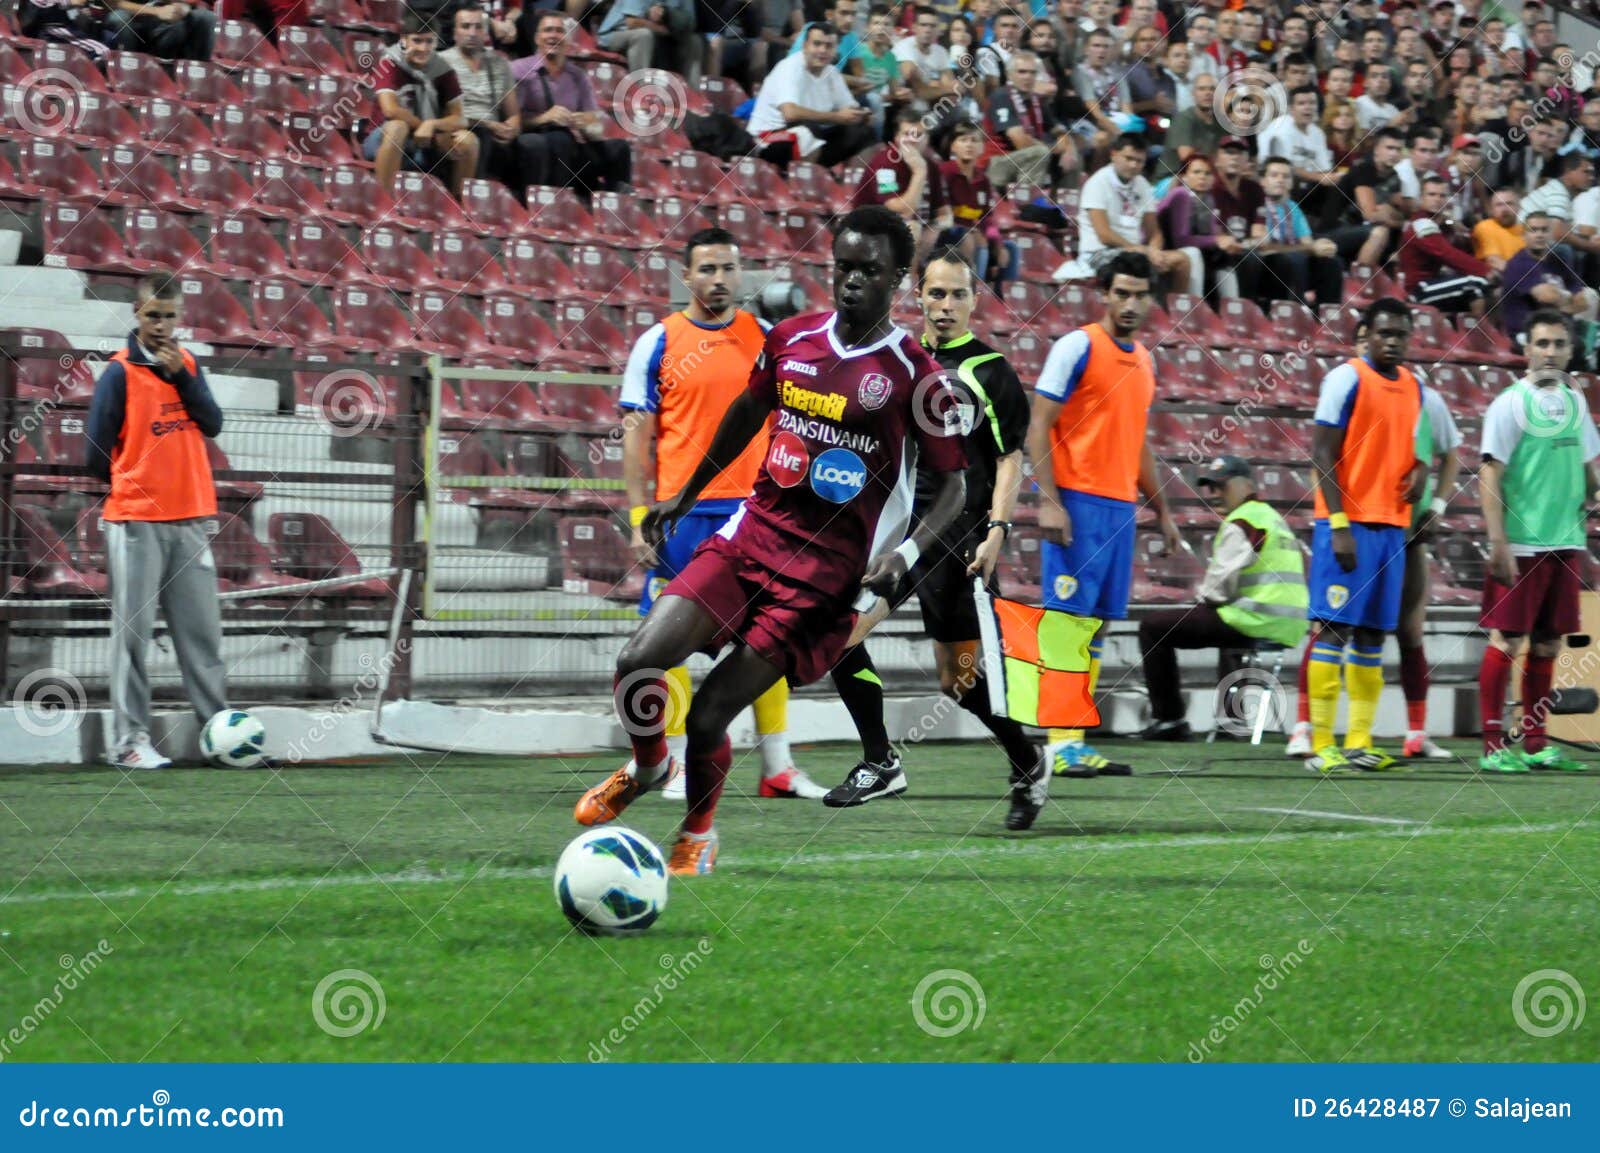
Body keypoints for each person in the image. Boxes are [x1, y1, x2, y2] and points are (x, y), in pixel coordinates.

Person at [573, 207, 968, 876]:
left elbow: (952, 487)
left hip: (822, 578)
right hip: (750, 536)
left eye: (868, 271)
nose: (850, 282)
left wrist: (903, 555)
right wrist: (688, 492)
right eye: (842, 267)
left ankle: (697, 831)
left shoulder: (915, 374)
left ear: (898, 278)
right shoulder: (790, 337)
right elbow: (750, 410)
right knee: (637, 659)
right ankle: (647, 766)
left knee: (709, 714)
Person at [824, 248, 1045, 827]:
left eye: (958, 295)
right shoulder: (895, 358)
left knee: (960, 682)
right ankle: (880, 761)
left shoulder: (990, 371)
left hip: (957, 540)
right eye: (936, 293)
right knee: (838, 636)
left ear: (975, 301)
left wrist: (997, 530)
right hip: (890, 534)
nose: (946, 306)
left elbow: (1009, 458)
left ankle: (1027, 758)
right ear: (917, 295)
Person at [619, 228, 828, 803]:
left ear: (742, 275)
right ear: (686, 276)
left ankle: (778, 767)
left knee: (771, 634)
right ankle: (681, 762)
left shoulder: (766, 338)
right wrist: (640, 513)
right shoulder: (657, 342)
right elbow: (637, 435)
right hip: (681, 514)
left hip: (758, 514)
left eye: (729, 268)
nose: (719, 279)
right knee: (671, 642)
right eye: (707, 269)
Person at [1028, 250, 1182, 778]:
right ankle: (1059, 745)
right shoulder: (1076, 347)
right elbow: (1037, 427)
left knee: (1093, 631)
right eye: (1122, 293)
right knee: (1067, 626)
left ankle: (1075, 742)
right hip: (1077, 502)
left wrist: (1162, 511)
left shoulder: (1144, 360)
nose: (1131, 303)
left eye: (1140, 294)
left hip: (1119, 509)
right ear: (1104, 293)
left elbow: (1138, 445)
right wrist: (1048, 501)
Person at [84, 275, 227, 770]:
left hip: (192, 518)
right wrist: (135, 485)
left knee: (202, 637)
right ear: (137, 316)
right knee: (132, 638)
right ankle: (129, 742)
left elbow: (212, 423)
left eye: (169, 315)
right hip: (136, 521)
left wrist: (183, 380)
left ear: (180, 316)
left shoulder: (188, 365)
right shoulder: (119, 373)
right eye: (153, 315)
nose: (162, 324)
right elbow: (94, 451)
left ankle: (219, 734)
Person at [1302, 299, 1426, 773]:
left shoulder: (1415, 386)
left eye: (1400, 334)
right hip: (1347, 524)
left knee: (1374, 633)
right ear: (1367, 335)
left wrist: (1420, 469)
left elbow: (1415, 446)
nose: (1392, 341)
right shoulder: (1345, 378)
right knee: (1334, 628)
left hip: (1391, 526)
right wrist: (1337, 525)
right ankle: (1320, 744)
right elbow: (1321, 453)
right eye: (1383, 333)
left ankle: (1359, 740)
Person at [1476, 310, 1600, 773]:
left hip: (1566, 540)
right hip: (1523, 541)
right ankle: (1492, 747)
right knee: (1507, 640)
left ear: (1572, 351)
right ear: (1528, 349)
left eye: (1559, 344)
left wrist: (1594, 494)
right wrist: (1498, 541)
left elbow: (1588, 464)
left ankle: (1535, 744)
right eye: (1542, 343)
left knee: (1548, 644)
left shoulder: (1575, 400)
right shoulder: (1509, 404)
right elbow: (1490, 473)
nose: (1550, 352)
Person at [1138, 455, 1308, 742]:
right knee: (1224, 623)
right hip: (1287, 622)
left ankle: (1170, 720)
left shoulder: (1242, 522)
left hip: (1257, 619)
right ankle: (1232, 720)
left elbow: (1217, 590)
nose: (1213, 495)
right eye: (1209, 488)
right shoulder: (1273, 518)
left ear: (1245, 485)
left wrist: (1204, 600)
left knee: (1153, 627)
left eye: (1221, 486)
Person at [1396, 356, 1462, 761]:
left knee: (1411, 631)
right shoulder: (1352, 389)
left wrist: (1436, 505)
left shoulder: (1425, 397)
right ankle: (1313, 731)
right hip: (1367, 528)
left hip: (1408, 532)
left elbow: (1451, 452)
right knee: (1343, 630)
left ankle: (1416, 735)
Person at [511, 12, 632, 198]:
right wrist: (545, 117)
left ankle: (614, 205)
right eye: (548, 30)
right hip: (537, 140)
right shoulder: (519, 69)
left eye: (559, 31)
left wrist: (585, 121)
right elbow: (512, 122)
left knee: (620, 148)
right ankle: (557, 200)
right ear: (537, 38)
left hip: (573, 146)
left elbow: (595, 122)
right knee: (561, 138)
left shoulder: (578, 76)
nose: (553, 35)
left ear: (567, 41)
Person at [367, 12, 479, 200]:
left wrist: (432, 126)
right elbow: (390, 110)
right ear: (404, 40)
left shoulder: (443, 70)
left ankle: (457, 205)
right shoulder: (389, 63)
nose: (423, 48)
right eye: (417, 41)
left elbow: (460, 118)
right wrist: (422, 125)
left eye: (429, 42)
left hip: (426, 141)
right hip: (382, 138)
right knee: (397, 126)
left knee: (468, 140)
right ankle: (384, 201)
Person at [1055, 133, 1188, 284]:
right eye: (1129, 158)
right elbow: (1104, 234)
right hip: (1098, 252)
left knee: (1182, 260)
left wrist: (1154, 250)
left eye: (1139, 161)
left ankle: (1172, 307)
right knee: (1138, 264)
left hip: (1135, 252)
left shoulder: (1142, 184)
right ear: (1114, 155)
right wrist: (1138, 249)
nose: (1133, 165)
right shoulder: (1097, 183)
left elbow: (1154, 232)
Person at [748, 21, 875, 167]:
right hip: (767, 139)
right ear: (805, 46)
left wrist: (861, 115)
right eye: (817, 44)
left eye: (829, 46)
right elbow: (790, 113)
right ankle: (805, 183)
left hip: (809, 138)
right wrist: (837, 117)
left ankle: (856, 184)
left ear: (836, 50)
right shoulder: (790, 67)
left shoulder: (832, 74)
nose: (822, 50)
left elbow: (849, 108)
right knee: (808, 130)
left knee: (863, 132)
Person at [439, 5, 521, 189]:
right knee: (476, 137)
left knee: (532, 145)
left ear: (485, 33)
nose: (472, 32)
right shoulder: (441, 61)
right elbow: (441, 114)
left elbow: (513, 114)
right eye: (466, 26)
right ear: (454, 32)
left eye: (478, 27)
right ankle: (462, 202)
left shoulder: (500, 63)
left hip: (493, 133)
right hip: (456, 127)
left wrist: (512, 128)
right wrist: (488, 124)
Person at [1248, 154, 1344, 308]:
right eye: (1274, 175)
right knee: (1295, 258)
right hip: (1265, 266)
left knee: (1332, 262)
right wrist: (1310, 247)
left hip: (1295, 262)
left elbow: (1306, 242)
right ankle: (1296, 312)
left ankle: (1328, 317)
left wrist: (1319, 247)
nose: (1280, 180)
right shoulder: (1256, 204)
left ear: (1292, 183)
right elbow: (1264, 246)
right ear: (1263, 181)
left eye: (1285, 176)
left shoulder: (1292, 207)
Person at [986, 50, 1079, 196]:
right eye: (1022, 72)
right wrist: (1054, 150)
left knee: (1072, 155)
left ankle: (1064, 209)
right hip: (998, 163)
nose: (1027, 77)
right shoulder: (1001, 96)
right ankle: (1026, 207)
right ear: (1010, 74)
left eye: (1032, 73)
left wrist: (1068, 148)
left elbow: (1058, 130)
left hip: (1029, 158)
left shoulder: (1036, 99)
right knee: (1040, 153)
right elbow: (1020, 141)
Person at [1498, 212, 1598, 346]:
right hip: (1528, 333)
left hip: (1560, 331)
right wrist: (1568, 299)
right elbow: (1546, 297)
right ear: (1524, 235)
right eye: (1533, 230)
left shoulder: (1558, 261)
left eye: (1544, 230)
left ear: (1550, 234)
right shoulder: (1518, 264)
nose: (1539, 235)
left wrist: (1560, 299)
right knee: (1577, 349)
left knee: (1592, 296)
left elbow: (1583, 302)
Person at [1399, 173, 1494, 315]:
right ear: (1421, 198)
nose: (1437, 199)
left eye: (1442, 196)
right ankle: (1478, 334)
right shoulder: (1421, 224)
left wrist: (1458, 232)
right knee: (1477, 285)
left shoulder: (1444, 225)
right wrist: (1486, 271)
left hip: (1437, 284)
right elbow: (1448, 254)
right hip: (1418, 290)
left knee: (1492, 288)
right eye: (1431, 194)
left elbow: (1465, 249)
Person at [850, 118, 950, 251]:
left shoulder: (931, 166)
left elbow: (946, 214)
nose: (912, 140)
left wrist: (935, 228)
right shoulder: (885, 164)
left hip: (916, 231)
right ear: (897, 138)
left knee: (964, 236)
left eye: (918, 135)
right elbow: (903, 211)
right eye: (907, 134)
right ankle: (909, 273)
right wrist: (919, 173)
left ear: (927, 140)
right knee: (911, 229)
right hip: (870, 230)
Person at [1157, 153, 1244, 298]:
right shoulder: (1180, 195)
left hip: (1185, 247)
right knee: (1194, 253)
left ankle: (1232, 307)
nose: (1202, 177)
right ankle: (1194, 307)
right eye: (1196, 172)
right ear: (1184, 176)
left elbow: (1210, 235)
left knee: (1225, 256)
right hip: (1164, 249)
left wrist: (1225, 242)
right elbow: (1181, 240)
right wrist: (1216, 240)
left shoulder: (1208, 199)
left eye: (1207, 173)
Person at [939, 119, 1015, 284]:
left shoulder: (983, 180)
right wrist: (971, 231)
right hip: (944, 234)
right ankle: (971, 294)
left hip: (971, 234)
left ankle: (1000, 301)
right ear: (953, 146)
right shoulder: (944, 173)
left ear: (982, 147)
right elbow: (939, 213)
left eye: (974, 140)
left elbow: (987, 219)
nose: (969, 145)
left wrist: (998, 244)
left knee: (1011, 249)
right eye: (963, 140)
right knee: (972, 239)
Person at [597, 0, 702, 85]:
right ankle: (640, 91)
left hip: (662, 37)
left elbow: (692, 23)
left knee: (694, 41)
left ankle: (693, 97)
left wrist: (667, 13)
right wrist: (663, 30)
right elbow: (632, 22)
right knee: (643, 35)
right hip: (616, 33)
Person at [105, 0, 215, 59]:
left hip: (161, 25)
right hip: (133, 22)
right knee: (120, 18)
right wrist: (156, 11)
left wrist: (179, 8)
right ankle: (128, 67)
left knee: (207, 17)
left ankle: (197, 74)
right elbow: (113, 3)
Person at [1472, 188, 1525, 270]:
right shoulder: (1485, 227)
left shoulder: (1527, 230)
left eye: (1509, 203)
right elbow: (1495, 263)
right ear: (1491, 210)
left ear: (1519, 207)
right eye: (1499, 205)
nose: (1505, 209)